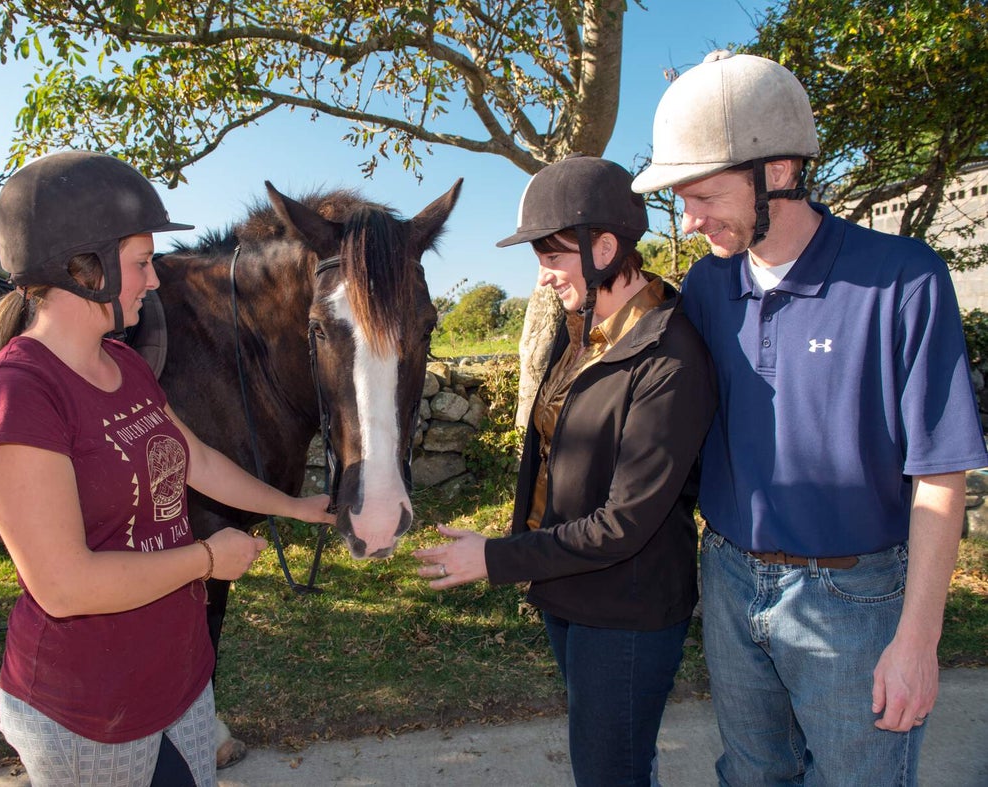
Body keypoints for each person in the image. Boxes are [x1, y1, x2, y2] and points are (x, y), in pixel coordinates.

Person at [631, 51, 988, 786]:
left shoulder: (903, 278)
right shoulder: (707, 285)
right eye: (682, 200)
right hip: (729, 579)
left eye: (704, 195)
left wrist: (917, 641)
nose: (689, 221)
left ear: (780, 170)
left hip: (855, 599)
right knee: (750, 775)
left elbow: (940, 474)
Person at [0, 150, 334, 787]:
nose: (155, 280)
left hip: (180, 684)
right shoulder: (17, 396)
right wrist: (208, 559)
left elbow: (196, 460)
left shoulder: (124, 364)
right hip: (89, 712)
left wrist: (294, 506)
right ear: (85, 270)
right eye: (141, 263)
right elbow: (64, 586)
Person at [414, 154, 717, 786]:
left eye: (553, 257)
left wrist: (497, 557)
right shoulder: (580, 329)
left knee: (610, 772)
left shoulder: (670, 357)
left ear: (604, 247)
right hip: (566, 589)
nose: (544, 276)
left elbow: (623, 524)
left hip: (626, 610)